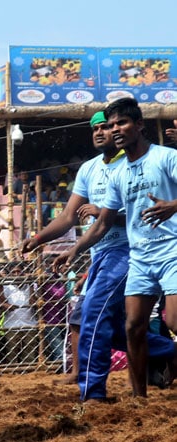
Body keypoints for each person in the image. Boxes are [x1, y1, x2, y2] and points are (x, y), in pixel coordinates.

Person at [55, 97, 177, 398]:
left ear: (139, 125)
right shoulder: (118, 174)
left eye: (122, 123)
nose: (115, 129)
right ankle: (138, 398)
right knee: (133, 327)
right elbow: (102, 223)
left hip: (172, 251)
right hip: (140, 258)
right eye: (111, 125)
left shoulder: (166, 157)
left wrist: (173, 205)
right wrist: (75, 249)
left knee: (174, 320)